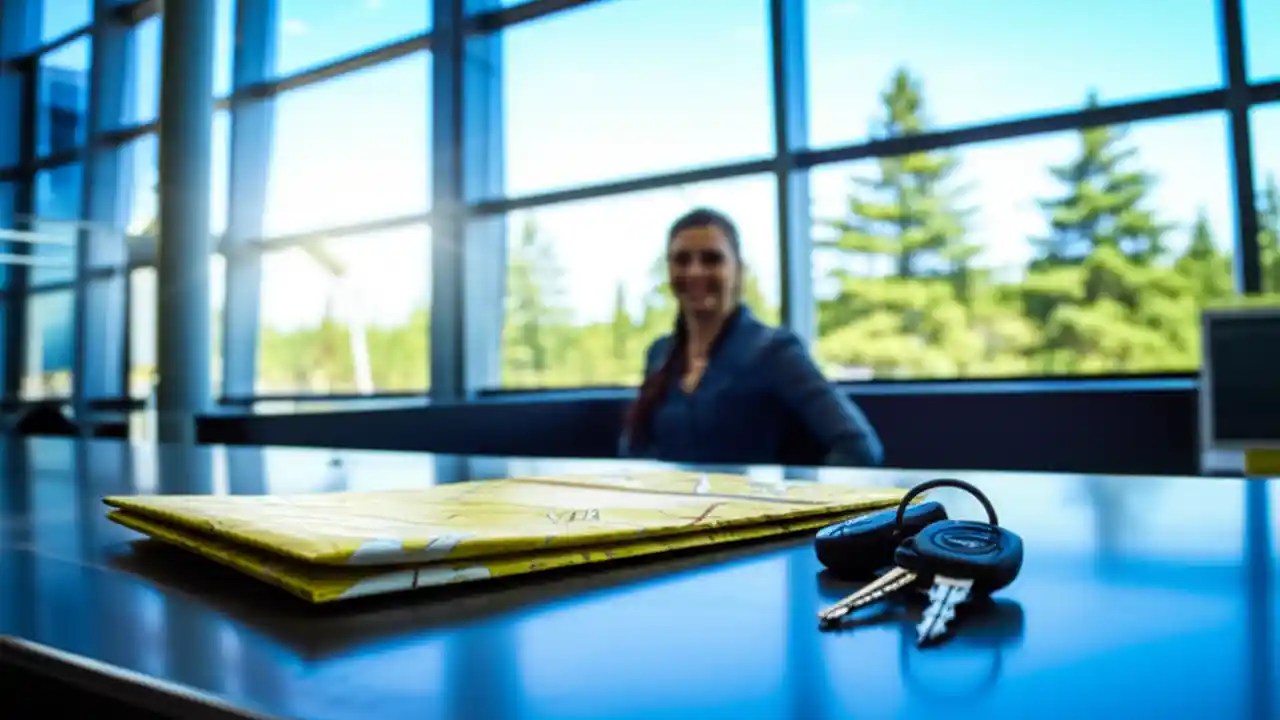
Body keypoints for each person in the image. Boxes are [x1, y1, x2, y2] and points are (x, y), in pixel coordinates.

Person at [621, 207, 884, 467]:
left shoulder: (775, 352)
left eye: (712, 259)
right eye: (681, 260)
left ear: (739, 270)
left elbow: (858, 447)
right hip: (675, 508)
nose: (695, 271)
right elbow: (635, 451)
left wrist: (800, 502)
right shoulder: (659, 354)